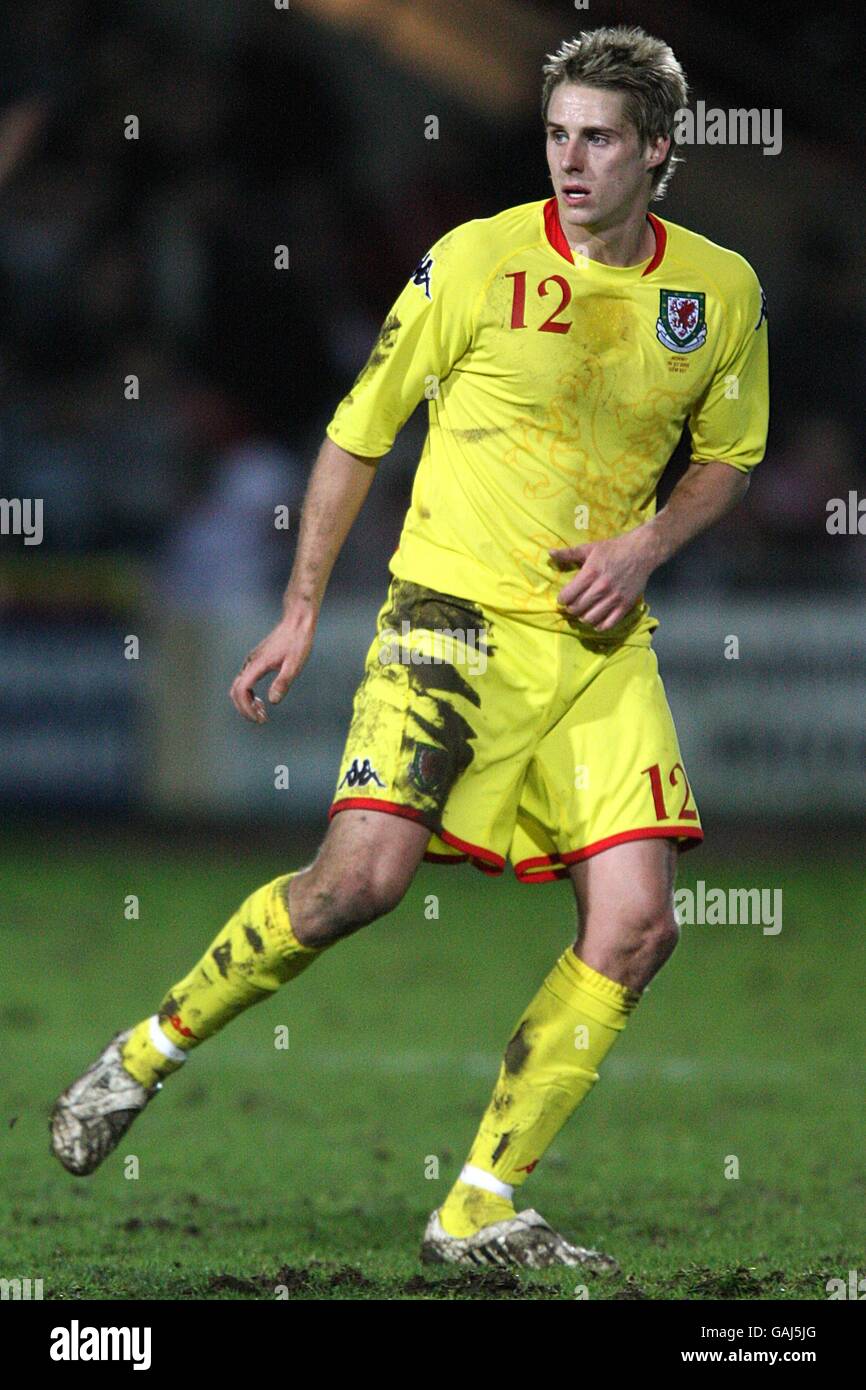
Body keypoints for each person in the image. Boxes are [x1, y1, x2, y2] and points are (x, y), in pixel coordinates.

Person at [51, 26, 769, 1273]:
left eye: (598, 137)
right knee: (355, 886)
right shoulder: (471, 261)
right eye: (556, 133)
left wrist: (645, 546)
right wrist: (297, 607)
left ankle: (478, 1204)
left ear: (657, 151)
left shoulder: (717, 291)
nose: (570, 160)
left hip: (598, 646)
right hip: (446, 623)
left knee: (639, 924)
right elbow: (354, 433)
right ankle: (144, 1053)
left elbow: (729, 459)